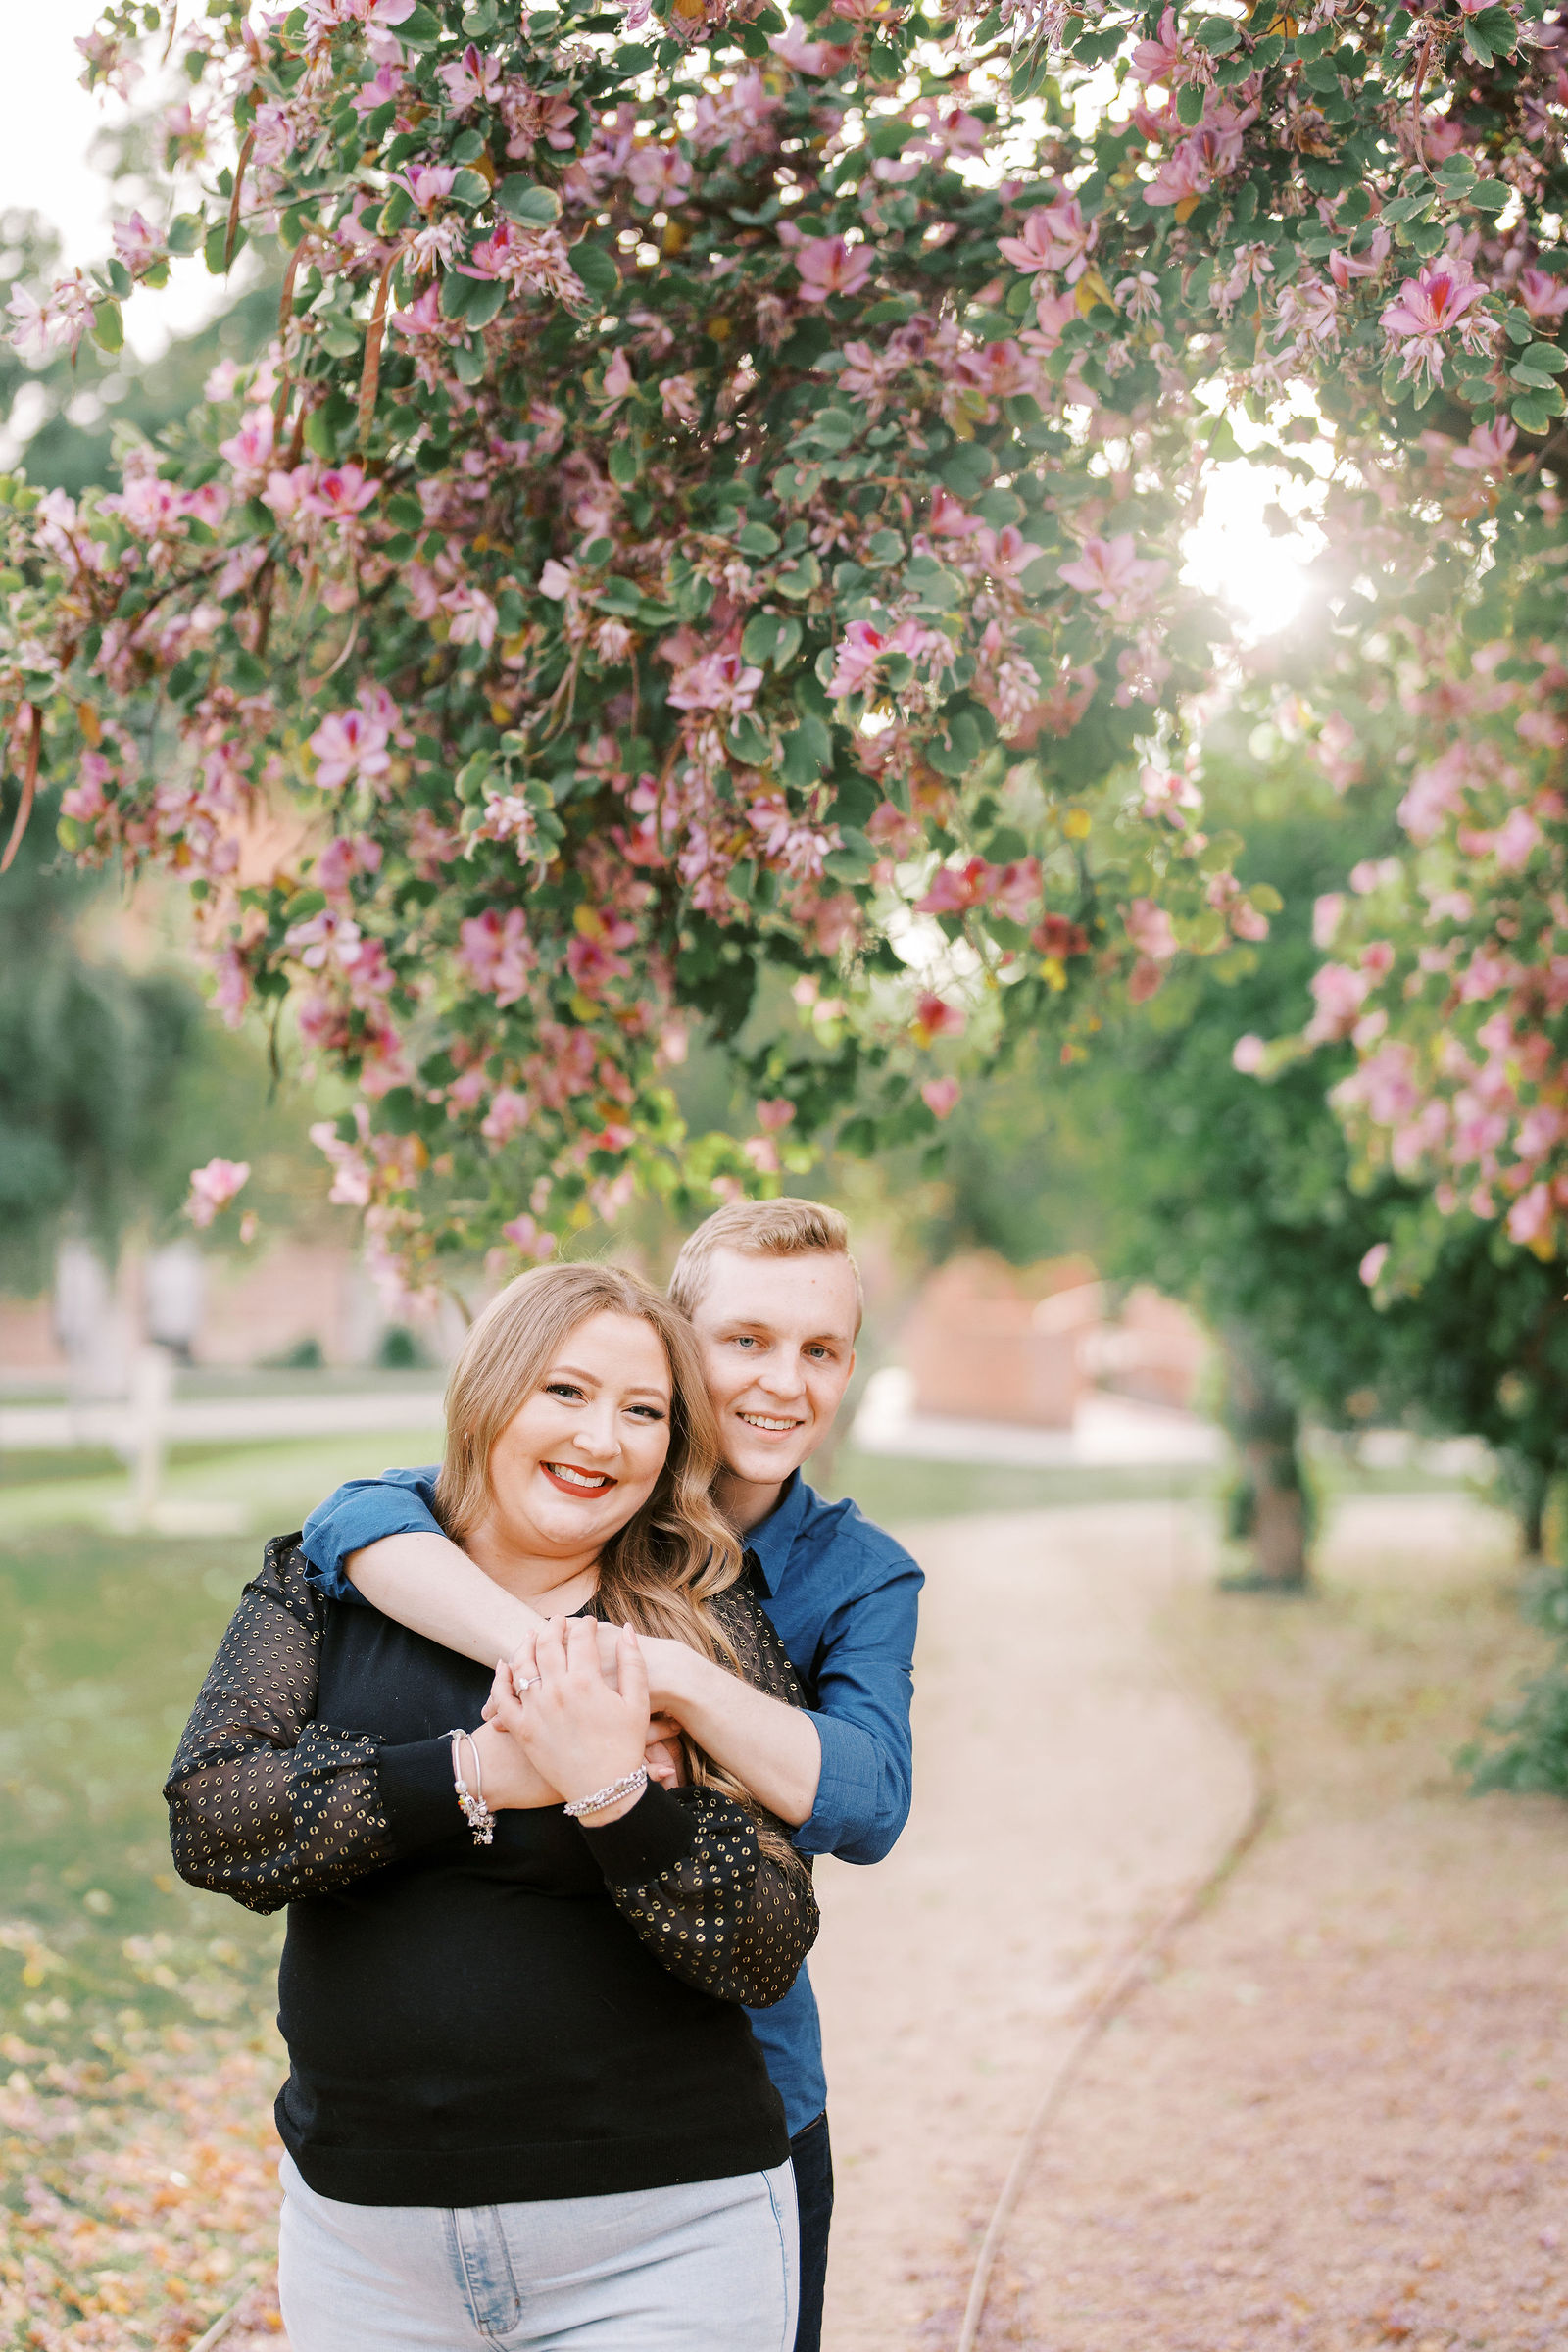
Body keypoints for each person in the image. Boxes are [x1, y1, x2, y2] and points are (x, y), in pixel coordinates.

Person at [299, 1199, 923, 2352]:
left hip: (731, 2106)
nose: (782, 1382)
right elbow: (349, 1517)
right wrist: (541, 1673)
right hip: (461, 2133)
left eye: (819, 1350)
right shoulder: (578, 1497)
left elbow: (868, 1802)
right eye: (744, 1341)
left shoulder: (858, 1575)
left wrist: (663, 1677)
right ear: (676, 1349)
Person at [166, 1261, 821, 2352]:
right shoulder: (327, 1587)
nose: (601, 1441)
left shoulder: (701, 1623)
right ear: (488, 1392)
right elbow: (218, 1820)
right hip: (368, 2255)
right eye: (565, 1392)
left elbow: (763, 1941)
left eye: (642, 1411)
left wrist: (610, 1794)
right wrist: (480, 1775)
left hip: (664, 2246)